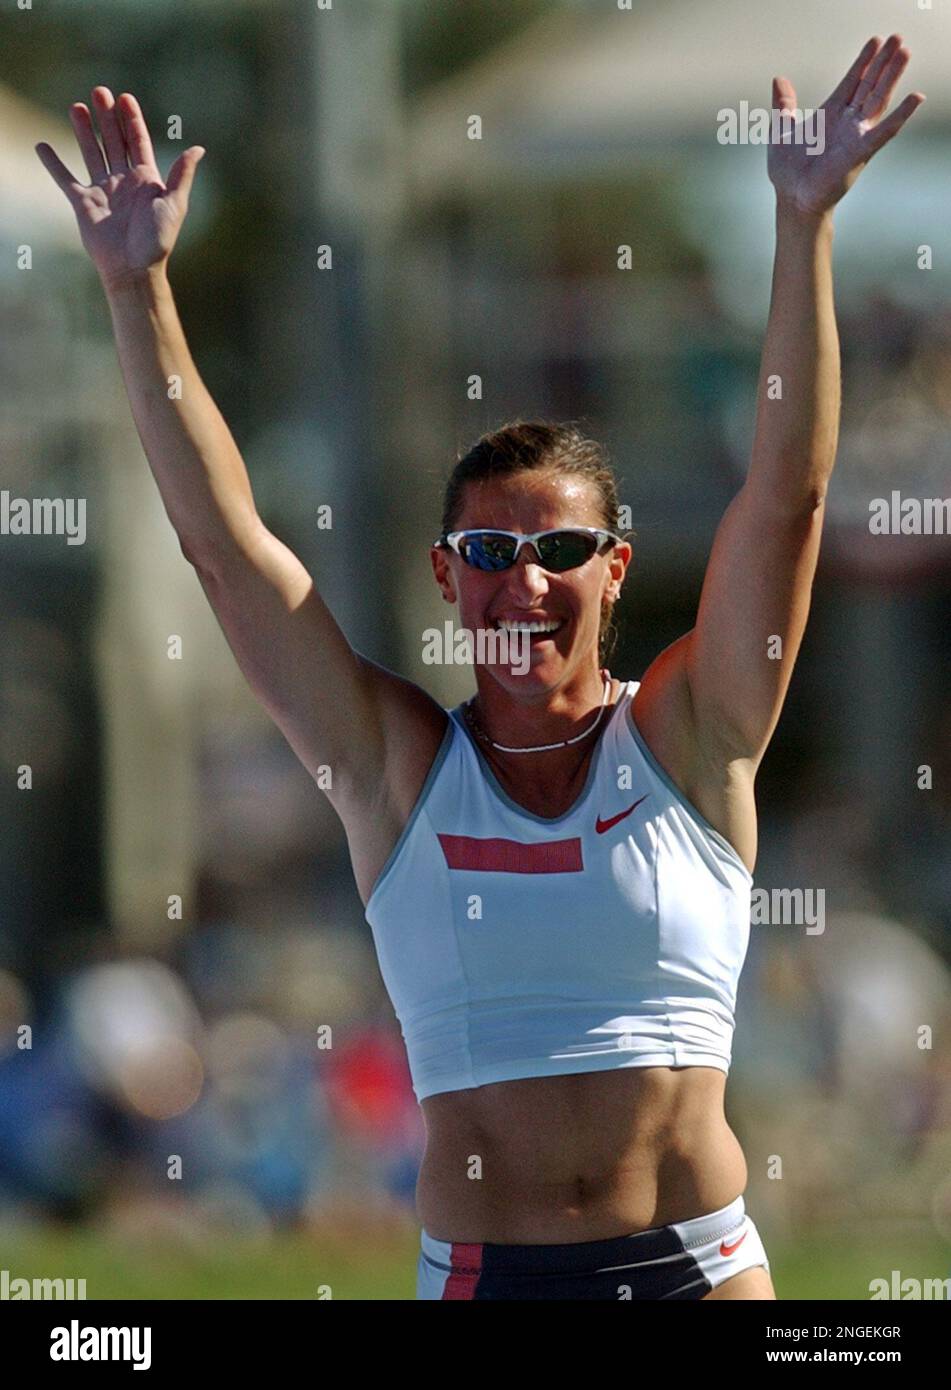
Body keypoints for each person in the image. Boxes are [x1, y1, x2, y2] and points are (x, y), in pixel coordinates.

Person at [36, 34, 923, 1300]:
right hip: (482, 1275)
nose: (528, 577)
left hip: (697, 1269)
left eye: (561, 545)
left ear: (615, 570)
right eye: (491, 548)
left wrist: (802, 225)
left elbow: (787, 496)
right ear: (447, 577)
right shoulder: (394, 766)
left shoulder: (695, 732)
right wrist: (139, 294)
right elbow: (227, 554)